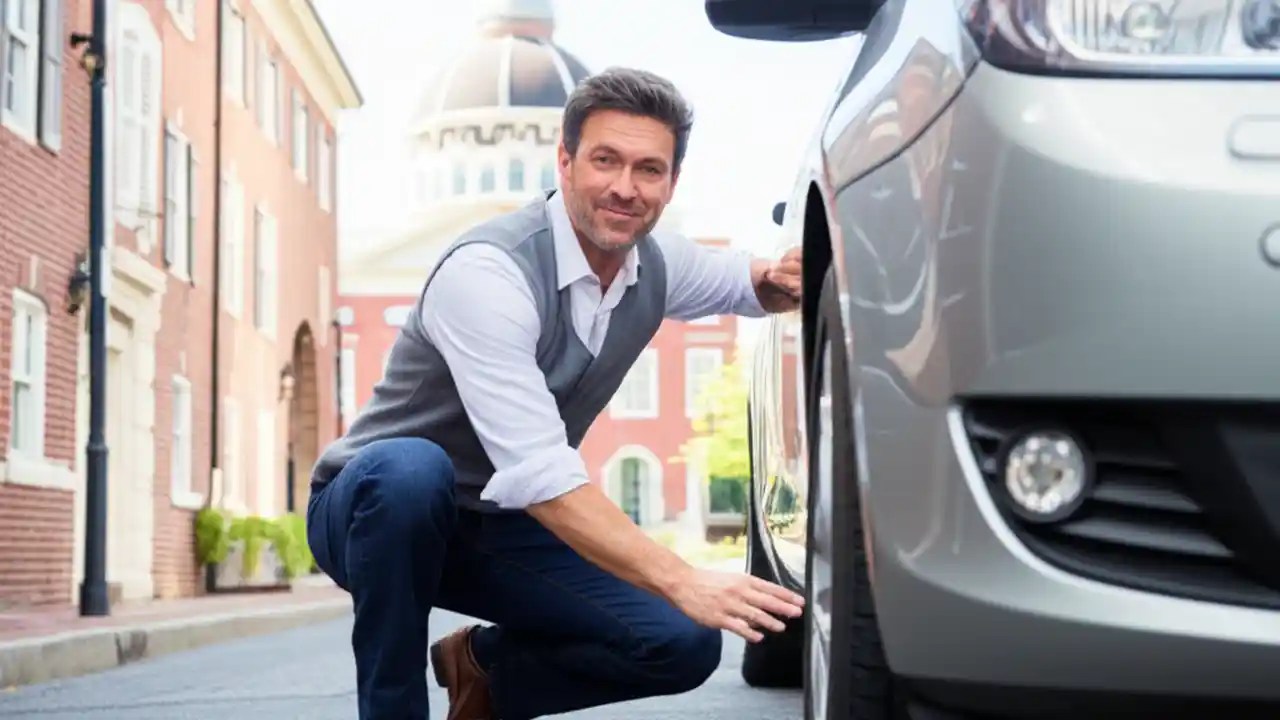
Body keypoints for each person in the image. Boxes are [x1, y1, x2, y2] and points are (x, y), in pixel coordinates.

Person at [306, 66, 806, 720]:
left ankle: (485, 672)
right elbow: (540, 474)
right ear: (565, 162)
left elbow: (750, 283)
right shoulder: (488, 272)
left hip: (495, 525)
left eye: (648, 169)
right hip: (376, 511)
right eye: (605, 161)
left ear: (671, 183)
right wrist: (684, 577)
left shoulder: (655, 261)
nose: (625, 188)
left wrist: (782, 272)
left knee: (682, 640)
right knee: (411, 468)